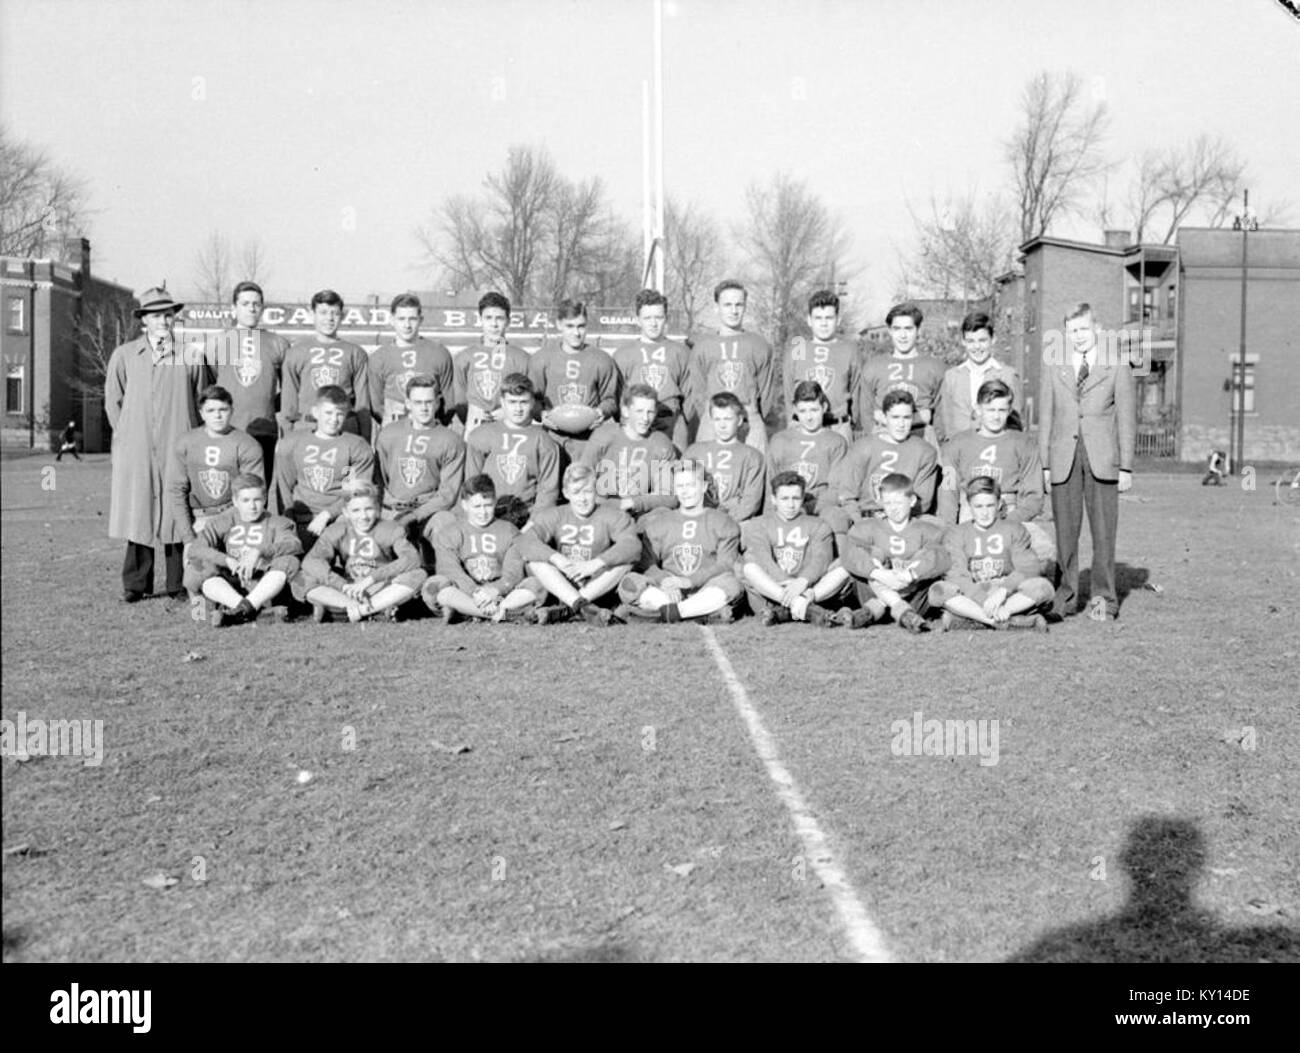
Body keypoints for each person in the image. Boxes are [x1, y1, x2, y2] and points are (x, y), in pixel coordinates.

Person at [105, 286, 210, 602]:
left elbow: (201, 397)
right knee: (139, 510)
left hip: (178, 443)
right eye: (155, 315)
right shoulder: (124, 355)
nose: (162, 321)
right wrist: (125, 436)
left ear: (174, 318)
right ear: (144, 321)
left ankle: (179, 582)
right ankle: (136, 583)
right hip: (137, 447)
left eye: (167, 314)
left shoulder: (191, 355)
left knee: (177, 507)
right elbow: (114, 401)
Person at [1039, 302, 1136, 621]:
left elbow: (1126, 418)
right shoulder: (1055, 365)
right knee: (1065, 532)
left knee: (1104, 533)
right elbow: (1046, 416)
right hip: (1063, 457)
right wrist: (1045, 464)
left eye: (1083, 329)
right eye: (1071, 331)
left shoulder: (1117, 364)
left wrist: (1126, 467)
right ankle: (1064, 598)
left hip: (1102, 458)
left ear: (1097, 328)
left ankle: (1103, 598)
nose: (1078, 336)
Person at [617, 459, 743, 623]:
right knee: (629, 583)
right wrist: (665, 581)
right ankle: (698, 613)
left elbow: (726, 564)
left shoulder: (722, 521)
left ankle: (667, 613)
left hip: (705, 587)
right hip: (668, 591)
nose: (685, 492)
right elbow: (647, 564)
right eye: (680, 486)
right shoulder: (659, 521)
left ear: (704, 487)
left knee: (733, 585)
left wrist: (689, 581)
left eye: (690, 485)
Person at [518, 464, 640, 625]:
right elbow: (525, 541)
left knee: (624, 563)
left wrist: (595, 564)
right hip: (563, 579)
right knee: (536, 561)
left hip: (595, 582)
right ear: (566, 493)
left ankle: (570, 608)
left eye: (587, 492)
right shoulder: (555, 514)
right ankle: (580, 606)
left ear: (595, 491)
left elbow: (632, 545)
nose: (582, 499)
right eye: (576, 492)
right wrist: (557, 559)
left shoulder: (612, 514)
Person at [928, 477, 1053, 631]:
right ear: (970, 506)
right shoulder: (956, 533)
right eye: (978, 506)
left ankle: (975, 619)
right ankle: (1001, 621)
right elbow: (957, 575)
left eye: (990, 505)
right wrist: (983, 600)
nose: (984, 512)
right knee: (938, 591)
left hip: (1006, 592)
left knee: (1043, 587)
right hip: (973, 592)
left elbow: (1028, 567)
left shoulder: (1014, 529)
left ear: (999, 504)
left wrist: (1002, 592)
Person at [295, 484, 427, 622]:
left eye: (369, 509)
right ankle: (367, 609)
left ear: (378, 510)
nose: (363, 516)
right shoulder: (336, 530)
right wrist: (342, 585)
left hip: (380, 586)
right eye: (356, 510)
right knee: (301, 578)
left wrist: (371, 579)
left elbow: (412, 559)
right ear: (346, 512)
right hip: (349, 588)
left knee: (418, 575)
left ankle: (351, 611)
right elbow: (311, 561)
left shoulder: (392, 529)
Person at [183, 473, 302, 625]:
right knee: (195, 567)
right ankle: (249, 610)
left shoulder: (278, 522)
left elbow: (294, 544)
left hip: (264, 582)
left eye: (257, 500)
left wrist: (259, 551)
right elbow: (195, 549)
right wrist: (226, 560)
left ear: (265, 499)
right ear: (235, 501)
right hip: (232, 581)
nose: (252, 506)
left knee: (290, 561)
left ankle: (240, 612)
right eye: (246, 500)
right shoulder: (223, 521)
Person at [422, 474, 542, 623]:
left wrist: (494, 590)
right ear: (465, 505)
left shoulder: (509, 530)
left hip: (499, 595)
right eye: (477, 506)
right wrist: (475, 591)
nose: (483, 512)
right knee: (435, 587)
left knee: (536, 585)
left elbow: (513, 573)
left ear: (495, 502)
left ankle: (469, 612)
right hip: (466, 592)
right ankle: (505, 614)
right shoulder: (449, 532)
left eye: (488, 505)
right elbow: (451, 570)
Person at [837, 472, 948, 632]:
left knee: (929, 562)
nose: (893, 508)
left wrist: (911, 573)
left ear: (912, 501)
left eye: (898, 503)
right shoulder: (868, 527)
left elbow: (941, 556)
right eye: (888, 503)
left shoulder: (927, 529)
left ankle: (870, 612)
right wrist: (878, 573)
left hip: (912, 594)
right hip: (874, 590)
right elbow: (850, 553)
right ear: (880, 502)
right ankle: (901, 611)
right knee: (866, 559)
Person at [825, 390, 939, 544]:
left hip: (905, 521)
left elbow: (922, 502)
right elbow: (847, 494)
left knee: (937, 528)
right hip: (867, 518)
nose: (901, 424)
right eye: (895, 417)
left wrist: (896, 523)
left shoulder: (925, 452)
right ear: (884, 418)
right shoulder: (862, 447)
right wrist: (860, 524)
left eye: (906, 417)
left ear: (913, 418)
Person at [274, 385, 375, 548]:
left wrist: (328, 514)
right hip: (302, 517)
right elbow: (285, 486)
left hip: (339, 517)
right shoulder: (293, 443)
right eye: (328, 413)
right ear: (315, 412)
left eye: (340, 414)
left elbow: (353, 491)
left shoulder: (354, 447)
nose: (334, 419)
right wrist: (288, 520)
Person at [204, 281, 290, 472]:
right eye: (245, 304)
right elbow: (210, 385)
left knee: (259, 491)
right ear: (234, 308)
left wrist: (269, 404)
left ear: (262, 308)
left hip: (264, 430)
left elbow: (289, 389)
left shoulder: (278, 343)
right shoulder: (217, 342)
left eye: (256, 304)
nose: (251, 308)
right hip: (226, 428)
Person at [740, 471, 843, 626]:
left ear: (803, 498)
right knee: (749, 568)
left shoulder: (818, 524)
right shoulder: (758, 524)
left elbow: (822, 560)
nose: (790, 504)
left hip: (808, 589)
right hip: (774, 592)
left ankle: (786, 611)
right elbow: (763, 560)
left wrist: (803, 580)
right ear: (773, 499)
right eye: (784, 498)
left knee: (844, 568)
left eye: (795, 498)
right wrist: (788, 584)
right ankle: (805, 608)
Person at [167, 385, 265, 545]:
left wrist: (219, 524)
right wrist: (189, 538)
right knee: (199, 567)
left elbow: (253, 494)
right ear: (201, 413)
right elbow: (176, 491)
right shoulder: (185, 442)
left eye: (223, 409)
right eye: (211, 410)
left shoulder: (248, 445)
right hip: (198, 519)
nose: (217, 416)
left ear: (232, 410)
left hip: (235, 519)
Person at [373, 374, 465, 543]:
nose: (424, 408)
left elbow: (448, 494)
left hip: (429, 509)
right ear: (408, 403)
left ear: (437, 402)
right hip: (394, 507)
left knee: (446, 524)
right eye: (418, 402)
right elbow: (381, 478)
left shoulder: (451, 440)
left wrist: (416, 515)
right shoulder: (388, 434)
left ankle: (440, 566)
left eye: (429, 402)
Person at [460, 373, 562, 523]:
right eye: (512, 402)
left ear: (533, 402)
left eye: (523, 402)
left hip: (526, 515)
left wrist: (532, 525)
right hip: (488, 515)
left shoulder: (544, 441)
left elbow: (548, 492)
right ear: (502, 402)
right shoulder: (481, 435)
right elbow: (471, 484)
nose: (518, 408)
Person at [687, 280, 774, 451]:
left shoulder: (759, 345)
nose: (734, 311)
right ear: (716, 307)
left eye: (739, 305)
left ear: (745, 307)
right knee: (703, 472)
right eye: (727, 305)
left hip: (748, 417)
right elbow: (698, 391)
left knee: (756, 468)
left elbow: (766, 392)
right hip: (714, 418)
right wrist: (713, 415)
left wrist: (752, 416)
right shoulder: (702, 347)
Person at [529, 298, 620, 458]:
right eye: (570, 326)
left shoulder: (602, 359)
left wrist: (601, 412)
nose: (576, 333)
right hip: (553, 438)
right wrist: (541, 414)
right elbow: (532, 399)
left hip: (589, 440)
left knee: (587, 481)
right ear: (559, 324)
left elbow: (611, 400)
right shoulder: (541, 358)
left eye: (581, 326)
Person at [281, 289, 373, 441]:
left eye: (334, 313)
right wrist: (287, 439)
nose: (329, 318)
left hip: (343, 430)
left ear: (342, 316)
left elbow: (362, 406)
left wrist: (365, 441)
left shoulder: (355, 353)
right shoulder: (296, 352)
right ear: (312, 314)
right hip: (307, 428)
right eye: (323, 312)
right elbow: (288, 405)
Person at [580, 384, 678, 516]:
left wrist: (632, 503)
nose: (645, 418)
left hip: (640, 511)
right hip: (602, 509)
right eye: (639, 411)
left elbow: (669, 497)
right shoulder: (603, 436)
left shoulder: (660, 443)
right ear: (625, 411)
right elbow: (582, 479)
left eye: (650, 412)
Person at [613, 288, 691, 450]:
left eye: (658, 317)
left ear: (666, 318)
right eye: (647, 318)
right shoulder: (623, 354)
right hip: (636, 424)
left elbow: (690, 397)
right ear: (638, 320)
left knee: (676, 471)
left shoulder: (681, 352)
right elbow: (618, 398)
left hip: (671, 421)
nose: (654, 323)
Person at [855, 303, 946, 438]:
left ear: (918, 330)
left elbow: (941, 412)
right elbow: (866, 411)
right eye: (897, 329)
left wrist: (937, 438)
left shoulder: (935, 366)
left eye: (908, 329)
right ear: (890, 331)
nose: (902, 335)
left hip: (922, 436)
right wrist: (874, 435)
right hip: (884, 435)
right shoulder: (874, 366)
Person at [367, 293, 454, 429]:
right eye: (401, 319)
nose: (407, 325)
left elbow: (449, 401)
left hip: (429, 428)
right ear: (392, 320)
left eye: (412, 319)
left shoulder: (439, 353)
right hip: (393, 429)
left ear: (421, 320)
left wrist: (433, 425)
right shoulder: (378, 357)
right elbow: (375, 404)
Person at [784, 290, 861, 442]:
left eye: (829, 318)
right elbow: (788, 391)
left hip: (838, 427)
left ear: (838, 320)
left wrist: (852, 423)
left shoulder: (849, 349)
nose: (824, 323)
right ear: (809, 320)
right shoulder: (798, 348)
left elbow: (856, 391)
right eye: (818, 318)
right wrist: (792, 422)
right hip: (803, 427)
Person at [452, 292, 531, 439]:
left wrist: (509, 412)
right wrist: (473, 415)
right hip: (474, 430)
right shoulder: (464, 358)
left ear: (508, 321)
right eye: (488, 318)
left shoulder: (521, 358)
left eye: (499, 318)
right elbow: (460, 401)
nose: (494, 324)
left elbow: (531, 399)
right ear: (480, 319)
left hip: (510, 432)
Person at [935, 311, 1022, 444]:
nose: (977, 347)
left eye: (982, 340)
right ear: (963, 341)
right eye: (971, 341)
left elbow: (1015, 425)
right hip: (960, 453)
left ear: (993, 339)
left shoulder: (1008, 376)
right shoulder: (951, 377)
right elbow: (944, 423)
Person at [765, 380, 848, 514]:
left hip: (820, 508)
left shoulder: (836, 442)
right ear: (794, 410)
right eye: (803, 411)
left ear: (824, 407)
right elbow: (770, 484)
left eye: (814, 410)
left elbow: (835, 489)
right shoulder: (779, 440)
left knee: (837, 521)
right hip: (785, 507)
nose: (809, 417)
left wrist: (809, 508)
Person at [683, 393, 766, 523]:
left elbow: (751, 503)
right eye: (717, 419)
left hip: (734, 522)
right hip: (698, 519)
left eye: (727, 419)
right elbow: (679, 490)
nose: (722, 425)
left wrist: (723, 520)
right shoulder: (693, 451)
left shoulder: (753, 457)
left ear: (739, 420)